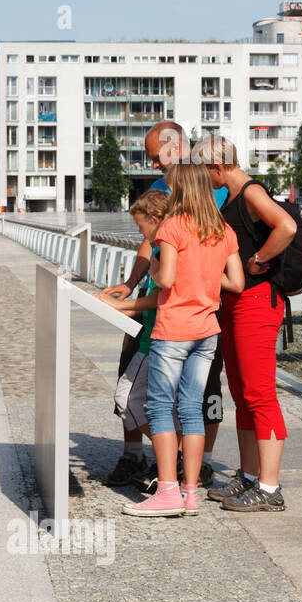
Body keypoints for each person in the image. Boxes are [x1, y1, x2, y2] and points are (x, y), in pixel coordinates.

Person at [102, 121, 227, 486]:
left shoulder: (212, 187)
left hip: (197, 306)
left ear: (175, 148)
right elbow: (149, 242)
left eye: (156, 157)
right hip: (160, 297)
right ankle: (136, 455)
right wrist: (130, 283)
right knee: (133, 368)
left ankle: (198, 461)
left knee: (203, 389)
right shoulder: (158, 189)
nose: (153, 164)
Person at [122, 162, 243, 517]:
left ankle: (167, 492)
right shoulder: (222, 229)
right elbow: (235, 282)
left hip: (174, 330)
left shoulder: (172, 227)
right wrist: (206, 274)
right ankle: (191, 493)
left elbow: (166, 280)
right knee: (191, 410)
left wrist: (160, 269)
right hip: (207, 331)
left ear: (182, 192)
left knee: (159, 407)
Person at [195, 135, 298, 512]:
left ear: (218, 167)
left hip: (257, 303)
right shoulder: (232, 197)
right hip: (236, 303)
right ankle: (250, 476)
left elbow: (285, 227)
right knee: (241, 394)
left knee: (260, 395)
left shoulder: (251, 192)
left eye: (206, 171)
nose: (205, 178)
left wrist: (257, 260)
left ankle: (270, 489)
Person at [99, 190, 168, 489]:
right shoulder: (159, 249)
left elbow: (160, 297)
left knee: (126, 397)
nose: (140, 234)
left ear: (155, 220)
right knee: (158, 403)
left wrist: (120, 306)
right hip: (155, 337)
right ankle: (165, 460)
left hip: (155, 340)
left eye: (141, 227)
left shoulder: (165, 252)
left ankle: (171, 453)